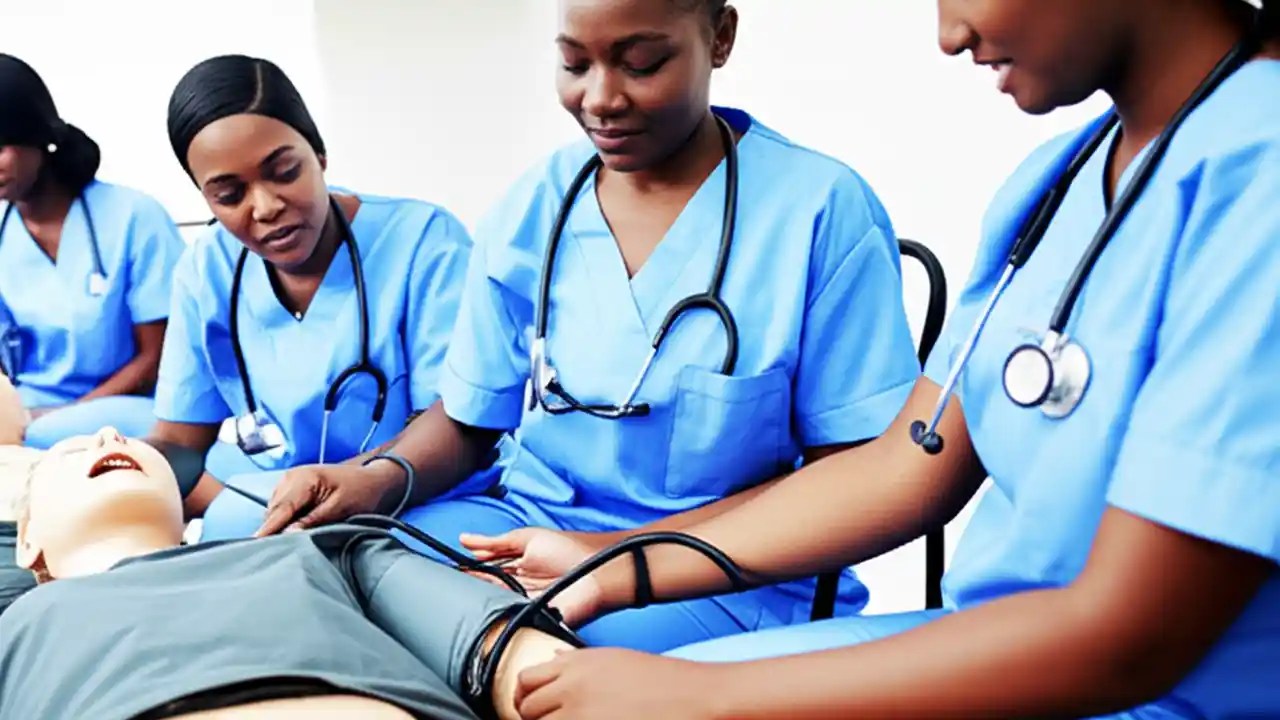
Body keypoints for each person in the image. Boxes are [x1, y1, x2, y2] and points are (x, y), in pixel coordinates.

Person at [461, 1, 1280, 718]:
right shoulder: (1061, 177)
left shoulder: (1261, 167)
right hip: (976, 645)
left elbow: (1132, 642)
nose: (949, 34)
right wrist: (620, 569)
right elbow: (908, 464)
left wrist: (701, 698)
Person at [253, 0, 922, 653]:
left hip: (720, 572)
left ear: (720, 38)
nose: (601, 98)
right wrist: (369, 478)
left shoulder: (818, 211)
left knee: (510, 653)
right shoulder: (535, 207)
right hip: (527, 528)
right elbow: (469, 421)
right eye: (575, 64)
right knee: (332, 571)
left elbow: (860, 472)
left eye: (641, 63)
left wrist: (607, 559)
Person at [0, 426, 578, 720]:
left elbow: (511, 662)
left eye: (124, 439)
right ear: (28, 542)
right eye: (72, 452)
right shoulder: (17, 621)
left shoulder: (323, 553)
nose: (107, 436)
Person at [148, 55, 474, 534]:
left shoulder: (426, 242)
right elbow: (180, 438)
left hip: (416, 496)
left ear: (319, 154)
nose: (265, 207)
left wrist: (365, 482)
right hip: (281, 505)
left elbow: (459, 422)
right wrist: (121, 465)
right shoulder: (205, 269)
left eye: (283, 172)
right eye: (229, 195)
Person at [0, 54, 185, 448]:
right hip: (28, 412)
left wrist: (64, 415)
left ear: (37, 135)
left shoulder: (134, 217)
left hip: (126, 407)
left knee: (43, 439)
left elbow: (158, 359)